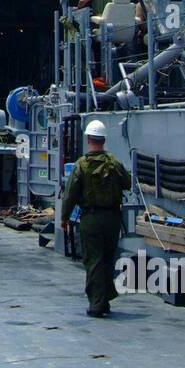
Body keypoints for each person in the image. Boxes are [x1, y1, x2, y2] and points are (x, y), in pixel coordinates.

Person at [61, 119, 133, 317]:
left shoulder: (81, 165)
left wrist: (64, 218)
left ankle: (97, 304)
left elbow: (70, 194)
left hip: (91, 219)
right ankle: (105, 299)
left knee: (93, 260)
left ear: (88, 138)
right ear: (103, 140)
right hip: (113, 218)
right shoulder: (114, 162)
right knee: (108, 258)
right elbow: (128, 183)